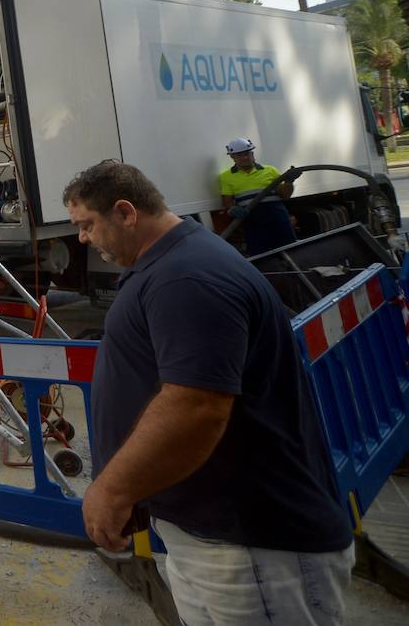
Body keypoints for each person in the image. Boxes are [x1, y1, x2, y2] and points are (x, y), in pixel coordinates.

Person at [62, 161, 353, 624]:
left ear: (125, 212)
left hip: (250, 548)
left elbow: (194, 406)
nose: (82, 239)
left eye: (87, 225)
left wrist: (113, 490)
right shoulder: (169, 264)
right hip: (213, 538)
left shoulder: (187, 279)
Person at [218, 137, 297, 255]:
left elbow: (285, 195)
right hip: (253, 223)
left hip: (278, 219)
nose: (245, 157)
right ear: (232, 157)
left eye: (247, 154)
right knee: (261, 256)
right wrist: (232, 210)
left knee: (292, 250)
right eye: (240, 155)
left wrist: (289, 182)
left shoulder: (270, 170)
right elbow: (227, 201)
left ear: (252, 153)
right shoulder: (226, 177)